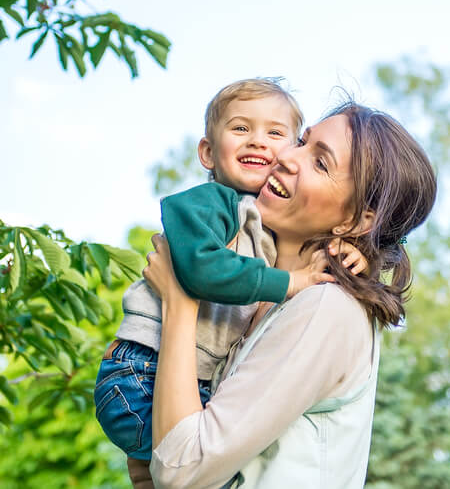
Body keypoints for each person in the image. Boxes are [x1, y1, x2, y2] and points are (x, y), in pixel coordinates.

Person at [143, 102, 437, 488]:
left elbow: (181, 469)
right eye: (302, 141)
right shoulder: (263, 291)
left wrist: (180, 300)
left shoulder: (325, 307)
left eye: (320, 163)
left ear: (356, 220)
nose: (287, 157)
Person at [95, 80, 367, 485]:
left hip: (167, 375)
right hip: (140, 373)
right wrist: (289, 282)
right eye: (241, 129)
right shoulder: (208, 205)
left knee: (172, 468)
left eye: (277, 135)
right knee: (186, 464)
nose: (260, 144)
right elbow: (201, 271)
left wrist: (356, 247)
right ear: (207, 152)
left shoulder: (266, 231)